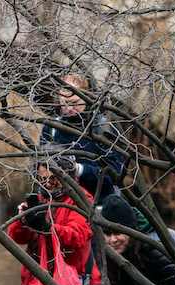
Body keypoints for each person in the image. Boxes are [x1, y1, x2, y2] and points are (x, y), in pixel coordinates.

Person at [39, 73, 126, 203]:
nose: (69, 108)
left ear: (86, 98)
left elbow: (115, 175)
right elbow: (41, 172)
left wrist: (79, 169)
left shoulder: (102, 128)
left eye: (74, 103)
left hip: (99, 203)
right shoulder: (52, 128)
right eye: (65, 103)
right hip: (62, 204)